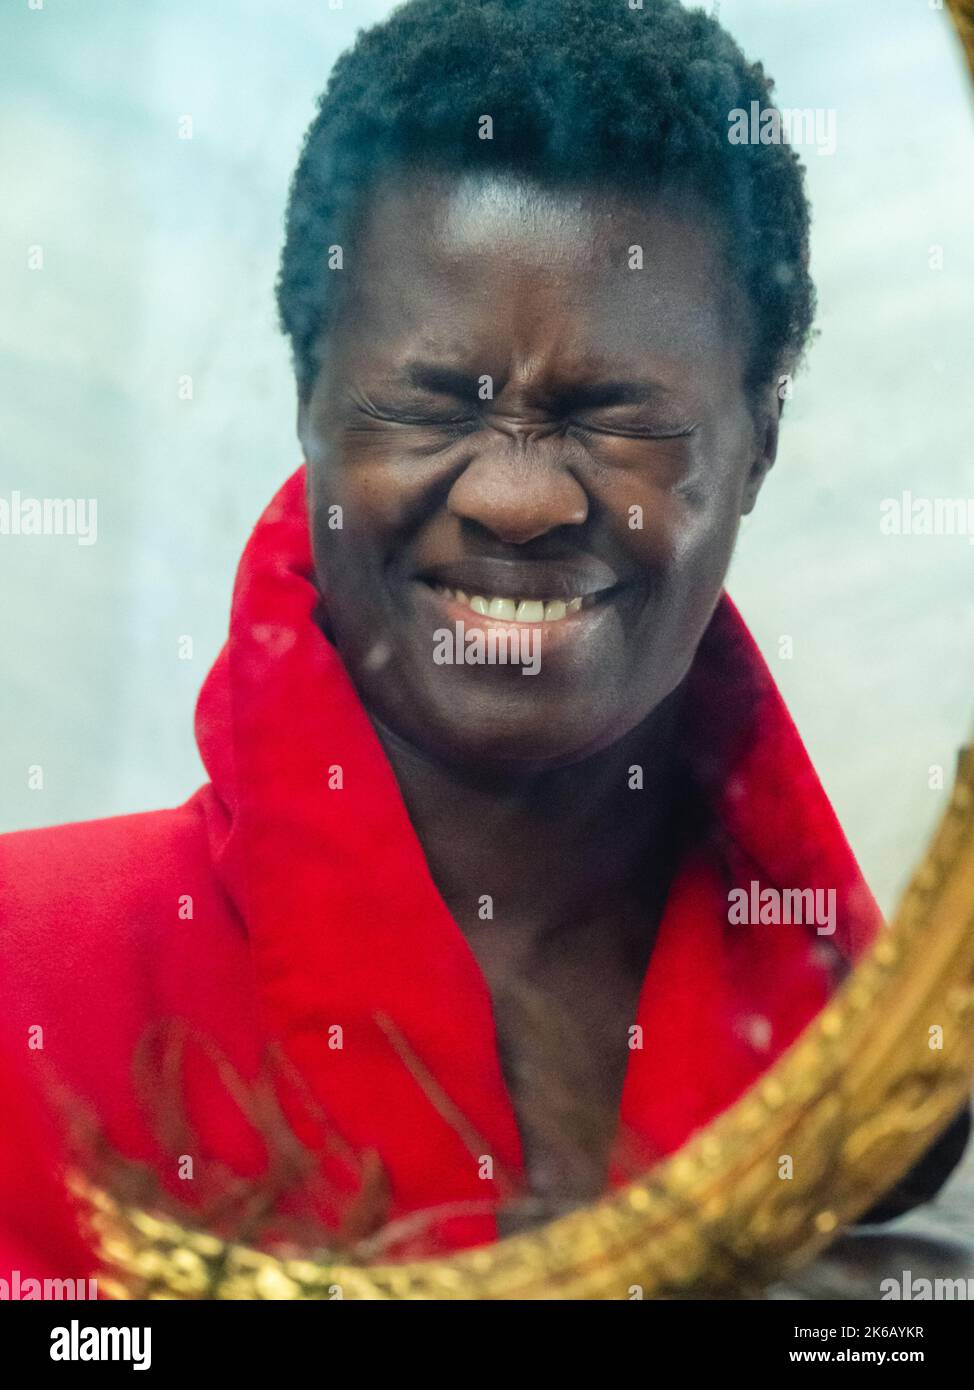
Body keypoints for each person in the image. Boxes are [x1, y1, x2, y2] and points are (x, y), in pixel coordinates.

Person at [0, 0, 960, 1277]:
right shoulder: (26, 986)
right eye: (425, 404)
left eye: (618, 417)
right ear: (311, 409)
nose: (517, 499)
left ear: (757, 444)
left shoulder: (905, 1078)